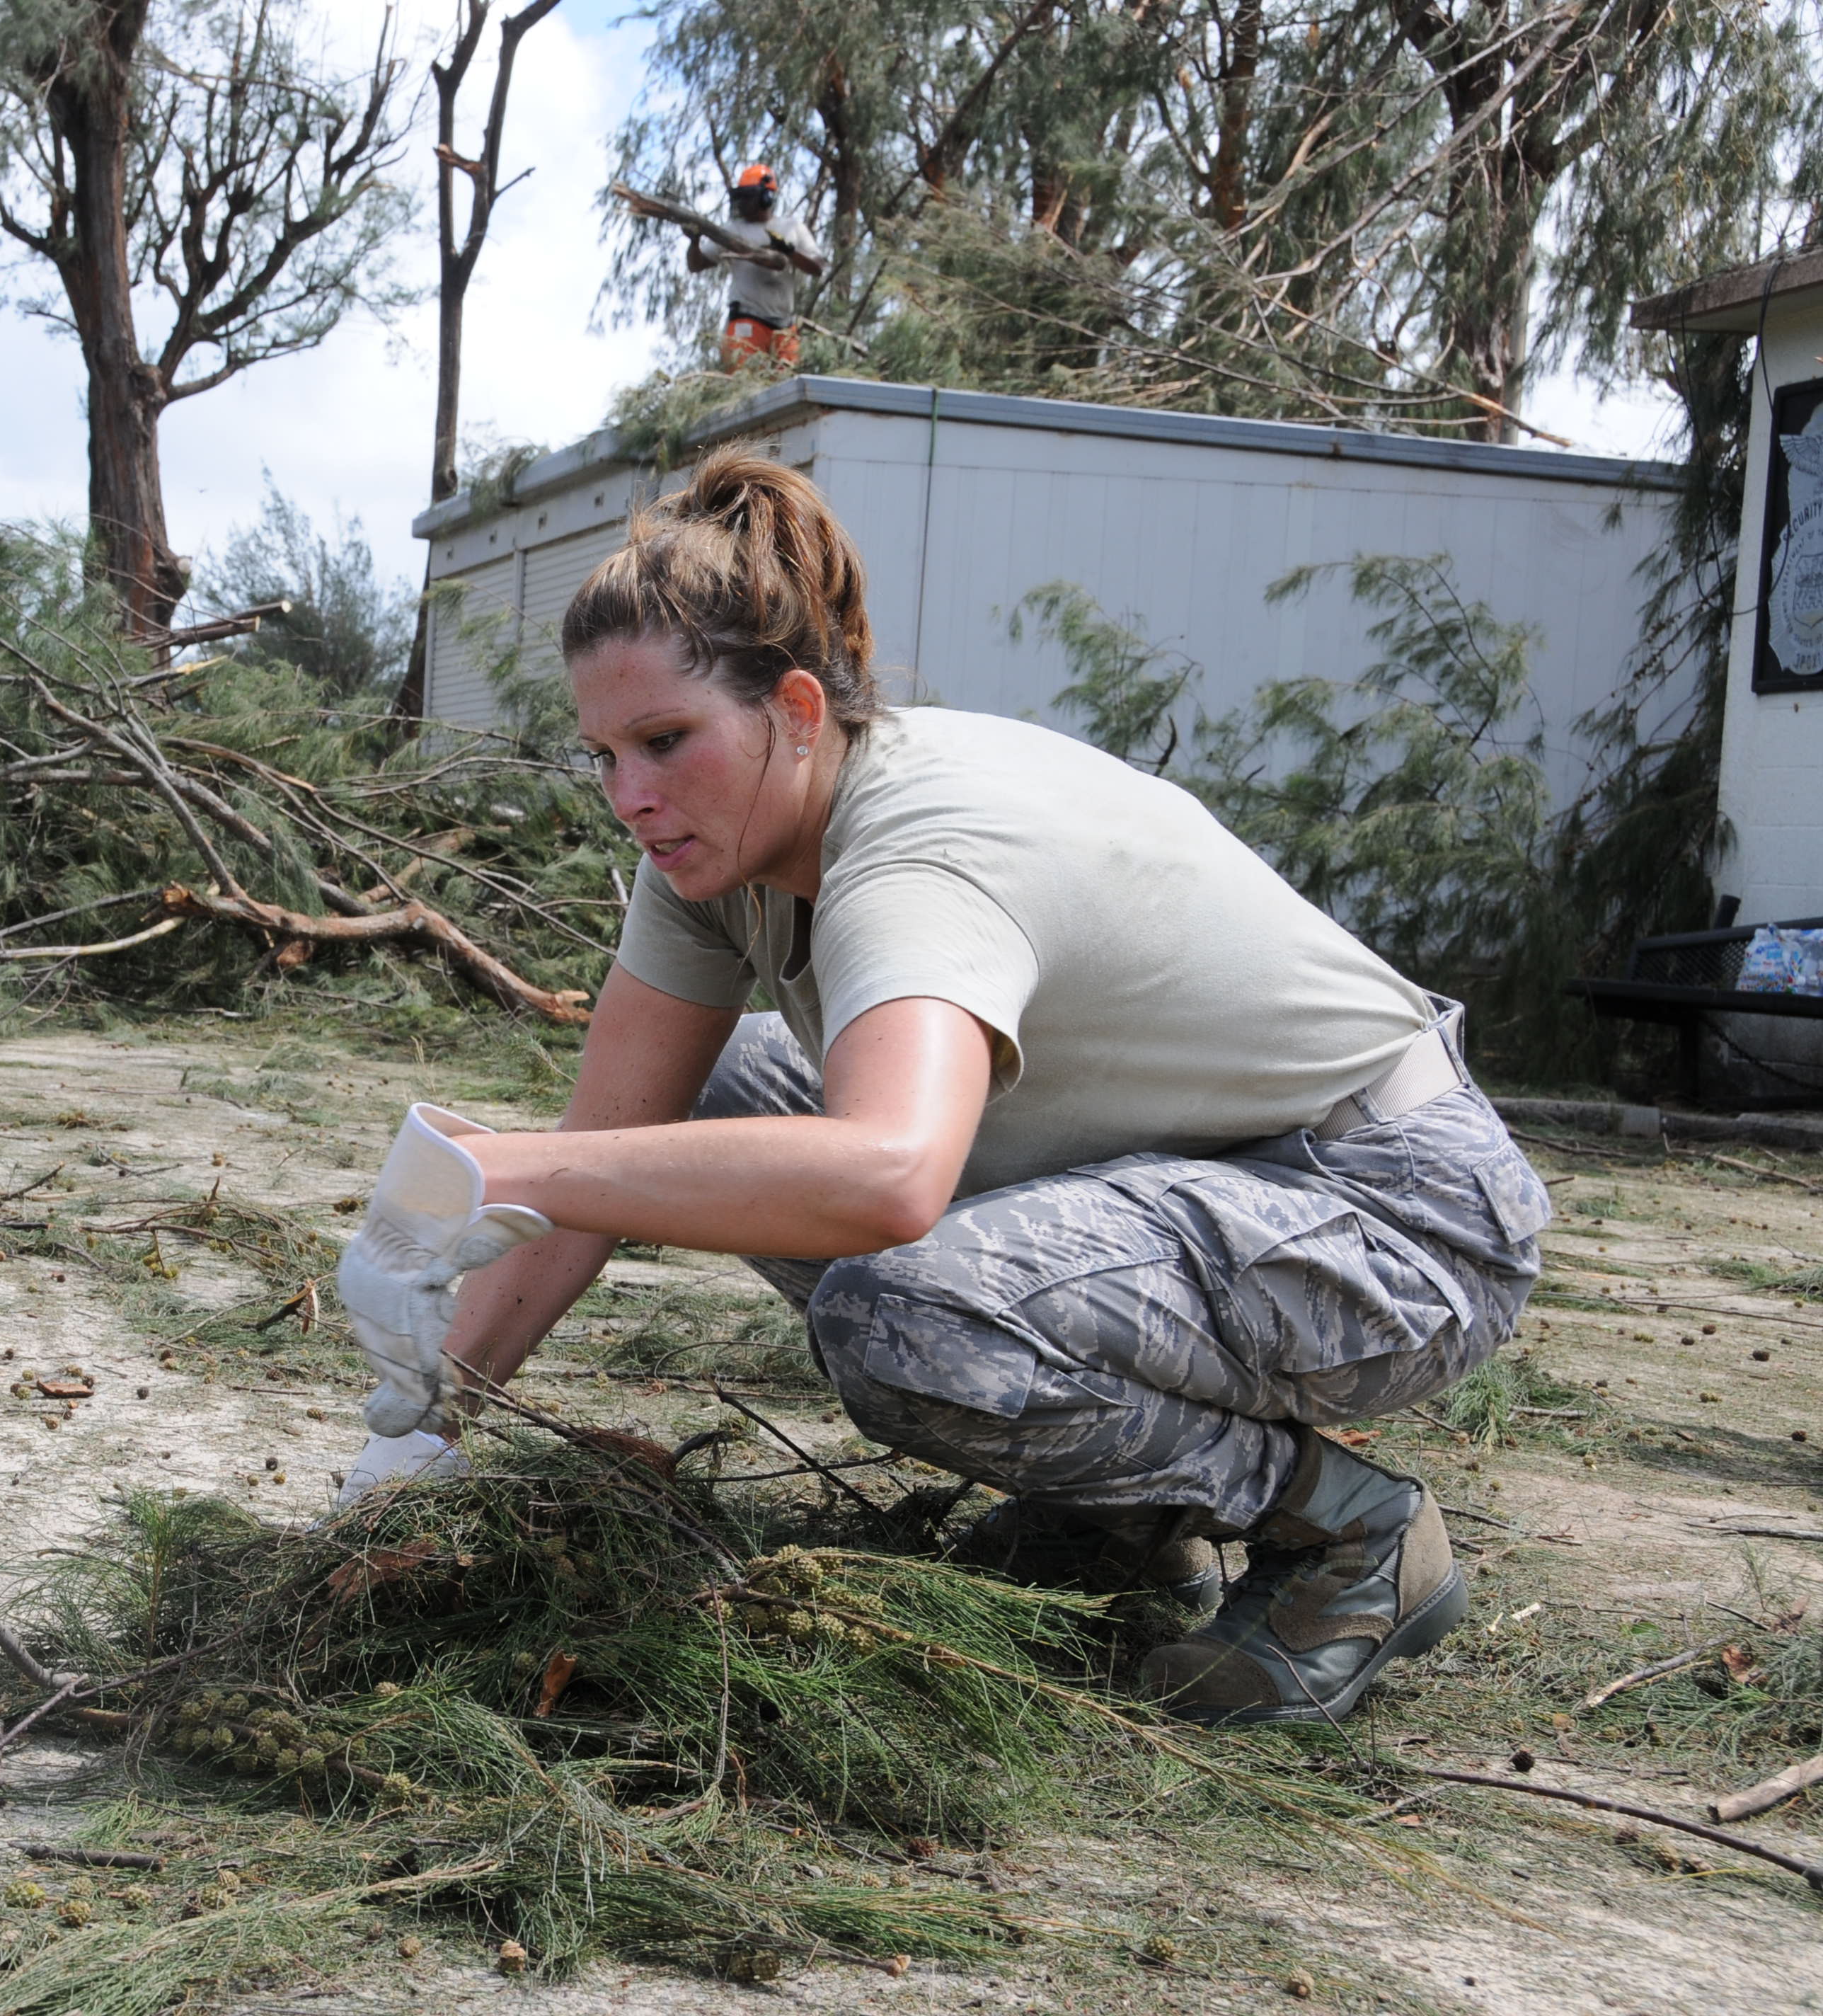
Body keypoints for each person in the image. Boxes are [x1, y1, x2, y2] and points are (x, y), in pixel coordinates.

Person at [330, 449, 1551, 1728]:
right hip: (1183, 1175)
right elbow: (604, 1148)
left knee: (901, 1314)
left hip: (1389, 1209)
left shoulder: (919, 851)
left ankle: (1349, 1533)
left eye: (665, 741)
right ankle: (1123, 1514)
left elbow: (890, 1177)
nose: (630, 796)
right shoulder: (710, 846)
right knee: (727, 1093)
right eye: (603, 755)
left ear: (796, 710)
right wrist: (416, 1433)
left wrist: (500, 1171)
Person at [686, 166, 821, 372]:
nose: (742, 203)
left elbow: (818, 267)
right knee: (744, 382)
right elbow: (696, 265)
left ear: (766, 198)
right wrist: (694, 241)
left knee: (789, 385)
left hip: (784, 326)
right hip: (747, 319)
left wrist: (790, 252)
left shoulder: (791, 228)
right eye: (740, 197)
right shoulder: (733, 230)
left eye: (748, 197)